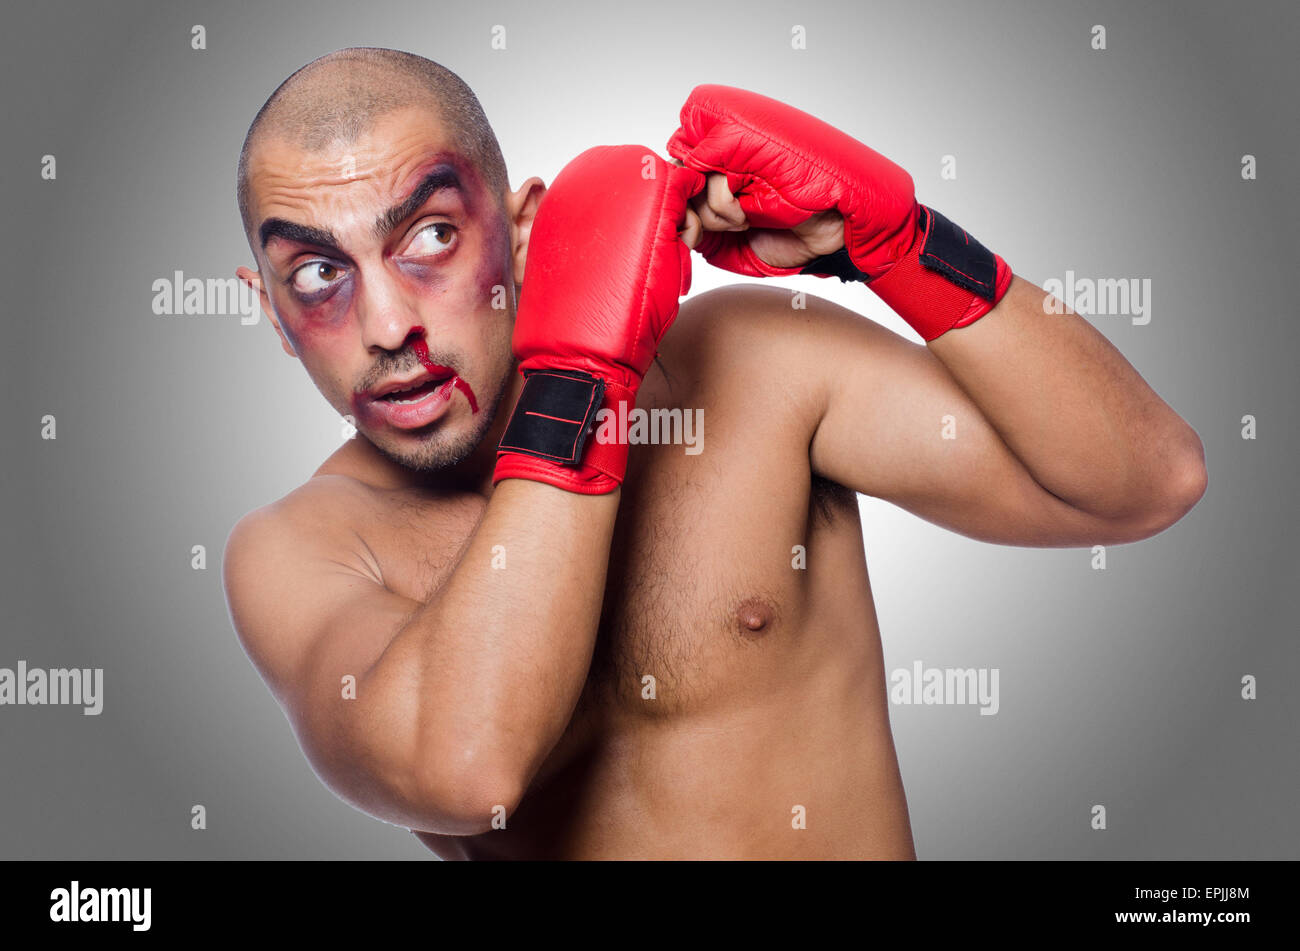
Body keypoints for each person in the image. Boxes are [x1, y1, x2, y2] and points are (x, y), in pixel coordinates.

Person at [223, 47, 1206, 859]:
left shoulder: (748, 365)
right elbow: (468, 766)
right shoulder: (302, 551)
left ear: (522, 231)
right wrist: (578, 385)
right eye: (316, 272)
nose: (389, 323)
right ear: (271, 312)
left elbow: (1143, 482)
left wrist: (899, 247)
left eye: (430, 235)